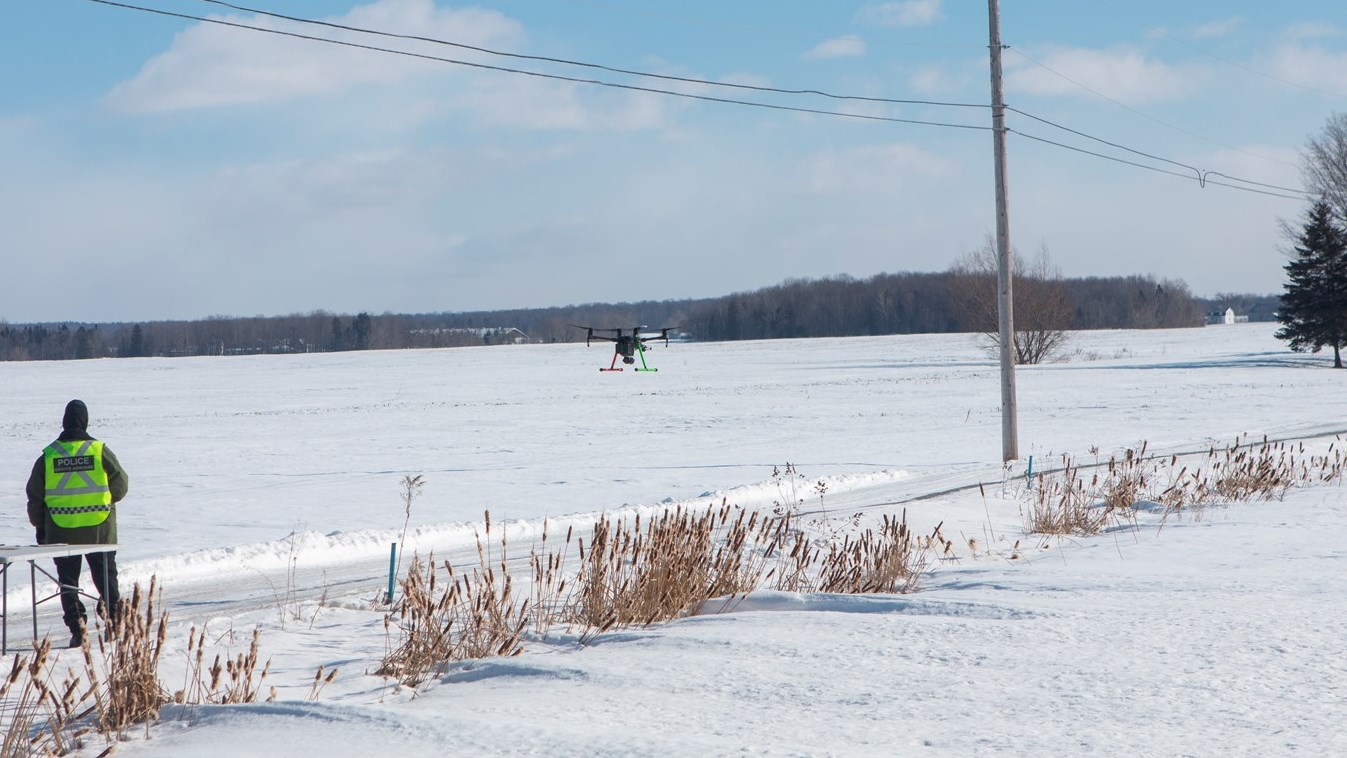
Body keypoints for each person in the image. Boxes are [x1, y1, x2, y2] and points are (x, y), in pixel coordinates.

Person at [26, 399, 129, 648]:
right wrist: (105, 501)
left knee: (68, 582)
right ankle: (113, 623)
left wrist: (40, 526)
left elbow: (35, 495)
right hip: (99, 529)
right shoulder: (99, 451)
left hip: (61, 531)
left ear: (64, 422)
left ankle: (78, 629)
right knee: (106, 578)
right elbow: (121, 485)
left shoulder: (49, 456)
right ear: (85, 422)